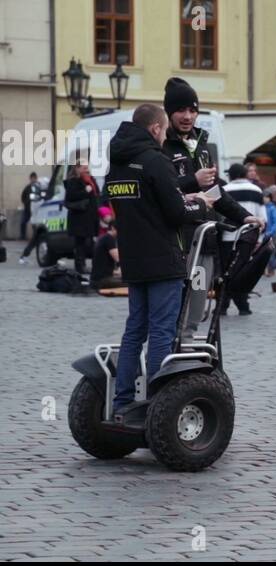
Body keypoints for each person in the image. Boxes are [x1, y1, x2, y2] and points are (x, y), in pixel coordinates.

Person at [104, 104, 212, 416]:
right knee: (162, 333)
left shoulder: (117, 163)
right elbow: (176, 213)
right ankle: (157, 407)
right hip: (163, 261)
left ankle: (122, 403)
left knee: (134, 331)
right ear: (155, 129)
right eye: (163, 130)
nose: (165, 136)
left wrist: (181, 195)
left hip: (134, 260)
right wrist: (201, 205)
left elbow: (138, 204)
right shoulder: (156, 160)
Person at [160, 78, 253, 335]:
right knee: (176, 304)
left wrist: (245, 217)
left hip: (205, 240)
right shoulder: (162, 147)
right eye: (181, 110)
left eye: (192, 110)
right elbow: (160, 190)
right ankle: (171, 353)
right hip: (178, 241)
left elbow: (214, 191)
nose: (187, 116)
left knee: (198, 302)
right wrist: (193, 181)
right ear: (169, 113)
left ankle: (188, 347)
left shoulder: (201, 148)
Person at [222, 163, 268, 315]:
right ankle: (243, 305)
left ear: (231, 175)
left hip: (227, 237)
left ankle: (223, 304)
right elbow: (263, 218)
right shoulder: (256, 190)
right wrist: (259, 238)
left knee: (226, 271)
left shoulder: (225, 190)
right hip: (249, 238)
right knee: (244, 272)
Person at [64, 159, 100, 274]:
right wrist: (85, 190)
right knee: (80, 243)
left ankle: (93, 266)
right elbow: (71, 196)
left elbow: (96, 194)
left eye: (87, 167)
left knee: (91, 242)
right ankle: (80, 266)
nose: (86, 170)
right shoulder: (73, 181)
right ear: (77, 168)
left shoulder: (91, 179)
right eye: (84, 168)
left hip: (90, 216)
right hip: (79, 218)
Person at [90, 219, 124, 290]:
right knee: (131, 283)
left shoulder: (103, 238)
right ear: (112, 228)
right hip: (102, 280)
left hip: (96, 278)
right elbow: (118, 259)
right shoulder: (109, 239)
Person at [20, 172, 41, 241]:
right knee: (23, 222)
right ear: (30, 179)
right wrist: (26, 203)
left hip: (35, 209)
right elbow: (23, 196)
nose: (33, 180)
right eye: (32, 178)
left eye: (34, 178)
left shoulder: (38, 187)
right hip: (28, 209)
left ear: (36, 178)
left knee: (34, 223)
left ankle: (36, 237)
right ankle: (22, 236)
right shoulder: (27, 188)